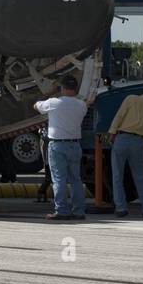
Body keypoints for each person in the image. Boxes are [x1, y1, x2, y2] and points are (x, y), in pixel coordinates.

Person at [34, 75, 88, 220]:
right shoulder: (82, 105)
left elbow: (36, 105)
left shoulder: (54, 102)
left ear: (62, 88)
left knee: (59, 179)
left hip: (58, 145)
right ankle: (79, 211)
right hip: (75, 145)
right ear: (75, 88)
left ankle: (62, 210)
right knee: (76, 179)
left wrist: (50, 92)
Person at [107, 83, 143, 217]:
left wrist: (112, 133)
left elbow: (119, 116)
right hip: (138, 142)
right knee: (141, 176)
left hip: (121, 138)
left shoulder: (131, 99)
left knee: (117, 175)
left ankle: (121, 207)